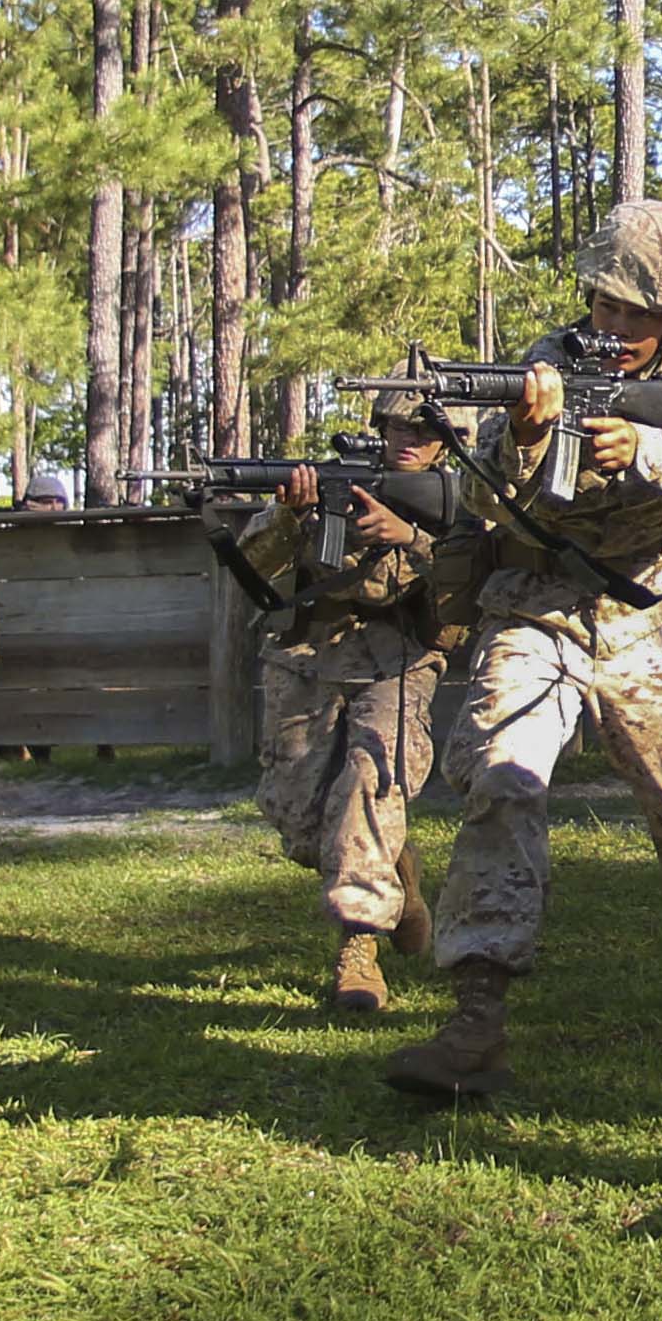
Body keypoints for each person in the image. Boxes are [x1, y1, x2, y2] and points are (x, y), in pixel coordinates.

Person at [378, 201, 662, 1102]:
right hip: (536, 603)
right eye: (604, 306)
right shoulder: (545, 366)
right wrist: (524, 436)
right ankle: (476, 1012)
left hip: (648, 603)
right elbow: (486, 497)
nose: (615, 327)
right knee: (499, 778)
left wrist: (650, 446)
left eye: (635, 313)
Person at [238, 394, 465, 1015]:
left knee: (372, 782)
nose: (408, 440)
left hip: (397, 660)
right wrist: (291, 517)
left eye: (424, 431)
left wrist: (412, 539)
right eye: (397, 427)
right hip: (310, 656)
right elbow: (252, 567)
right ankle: (402, 874)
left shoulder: (462, 499)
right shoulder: (327, 484)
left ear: (446, 442)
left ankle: (358, 950)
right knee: (303, 822)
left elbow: (480, 578)